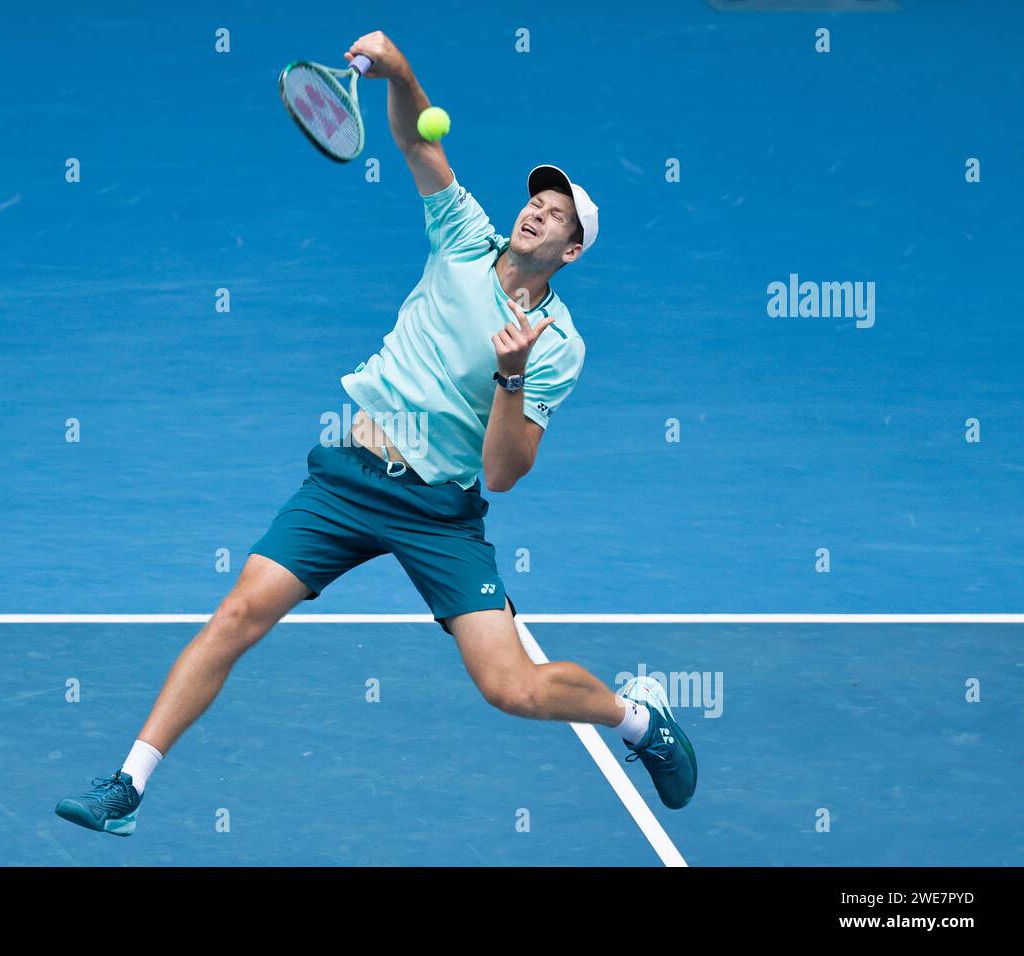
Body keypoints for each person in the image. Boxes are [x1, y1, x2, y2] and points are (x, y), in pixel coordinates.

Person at [55, 31, 696, 838]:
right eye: (537, 198)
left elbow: (503, 474)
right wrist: (399, 72)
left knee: (511, 687)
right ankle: (128, 786)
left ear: (571, 251)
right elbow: (414, 138)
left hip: (438, 511)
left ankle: (638, 719)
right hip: (348, 477)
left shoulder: (558, 345)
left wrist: (510, 375)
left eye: (557, 213)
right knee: (238, 613)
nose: (538, 209)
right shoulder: (463, 235)